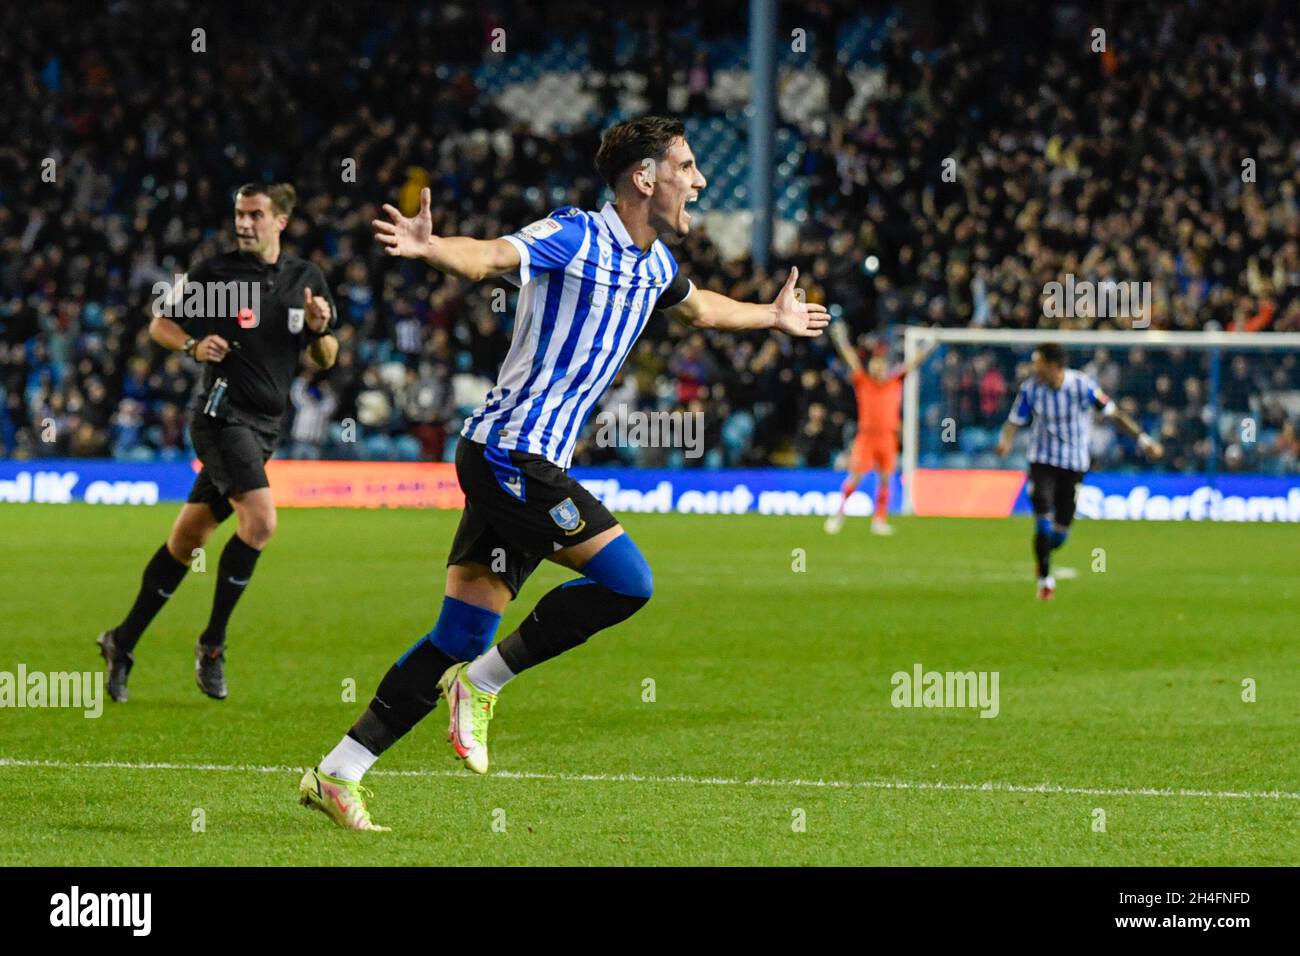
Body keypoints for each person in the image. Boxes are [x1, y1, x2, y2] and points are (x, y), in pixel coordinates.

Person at [298, 115, 828, 831]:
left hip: (520, 461)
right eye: (688, 167)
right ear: (646, 178)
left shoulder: (655, 265)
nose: (698, 181)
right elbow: (490, 257)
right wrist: (433, 248)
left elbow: (701, 309)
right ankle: (482, 688)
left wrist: (772, 315)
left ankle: (340, 770)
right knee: (628, 581)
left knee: (458, 634)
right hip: (510, 456)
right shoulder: (575, 234)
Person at [97, 183, 339, 701]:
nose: (244, 223)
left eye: (255, 215)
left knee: (187, 542)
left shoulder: (304, 280)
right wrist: (191, 343)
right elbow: (160, 323)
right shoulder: (216, 274)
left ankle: (122, 640)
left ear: (281, 221)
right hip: (221, 416)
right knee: (261, 522)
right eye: (239, 214)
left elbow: (327, 359)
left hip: (267, 428)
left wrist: (320, 332)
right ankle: (212, 645)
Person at [995, 342, 1163, 600]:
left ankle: (1043, 554)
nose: (1033, 366)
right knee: (1042, 517)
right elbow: (1014, 420)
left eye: (1036, 361)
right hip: (1042, 462)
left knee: (1059, 535)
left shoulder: (1081, 386)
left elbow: (1113, 413)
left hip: (1073, 465)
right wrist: (1005, 440)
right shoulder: (1030, 389)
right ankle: (1045, 580)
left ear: (1052, 365)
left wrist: (1143, 440)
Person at [824, 324, 935, 535]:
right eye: (875, 366)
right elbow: (851, 358)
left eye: (881, 366)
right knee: (855, 477)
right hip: (866, 438)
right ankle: (838, 514)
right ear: (871, 367)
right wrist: (841, 339)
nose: (878, 369)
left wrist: (928, 346)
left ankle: (879, 520)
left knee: (885, 478)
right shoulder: (863, 381)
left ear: (885, 367)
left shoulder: (895, 382)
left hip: (887, 438)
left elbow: (912, 363)